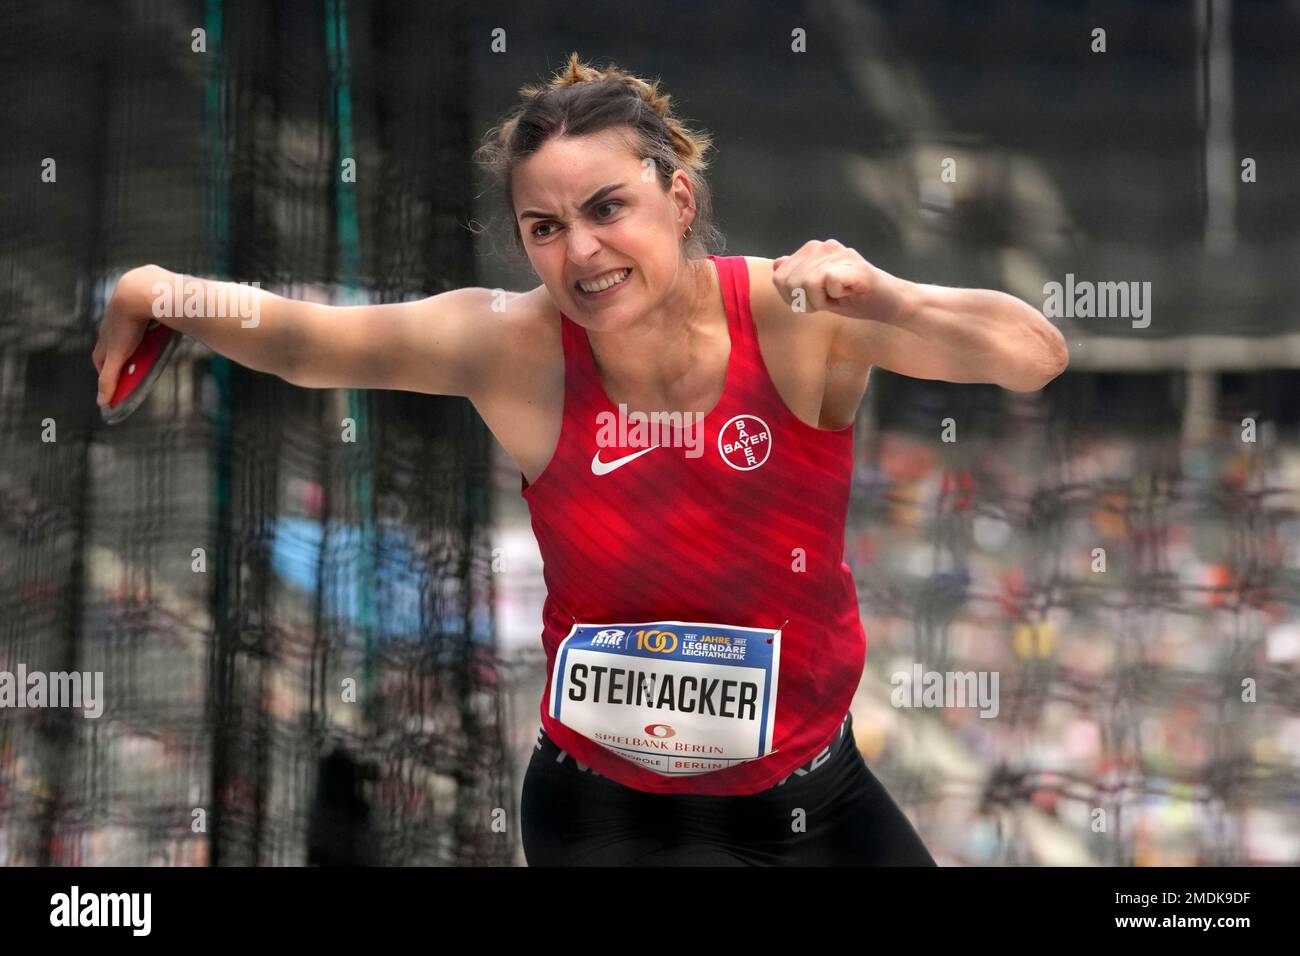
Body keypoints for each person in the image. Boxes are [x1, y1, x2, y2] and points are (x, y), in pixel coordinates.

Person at [93, 53, 1067, 866]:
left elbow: (1033, 354)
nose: (582, 252)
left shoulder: (795, 314)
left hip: (810, 796)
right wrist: (161, 288)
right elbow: (314, 341)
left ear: (678, 198)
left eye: (608, 208)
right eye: (544, 228)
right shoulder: (512, 345)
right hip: (610, 819)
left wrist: (882, 293)